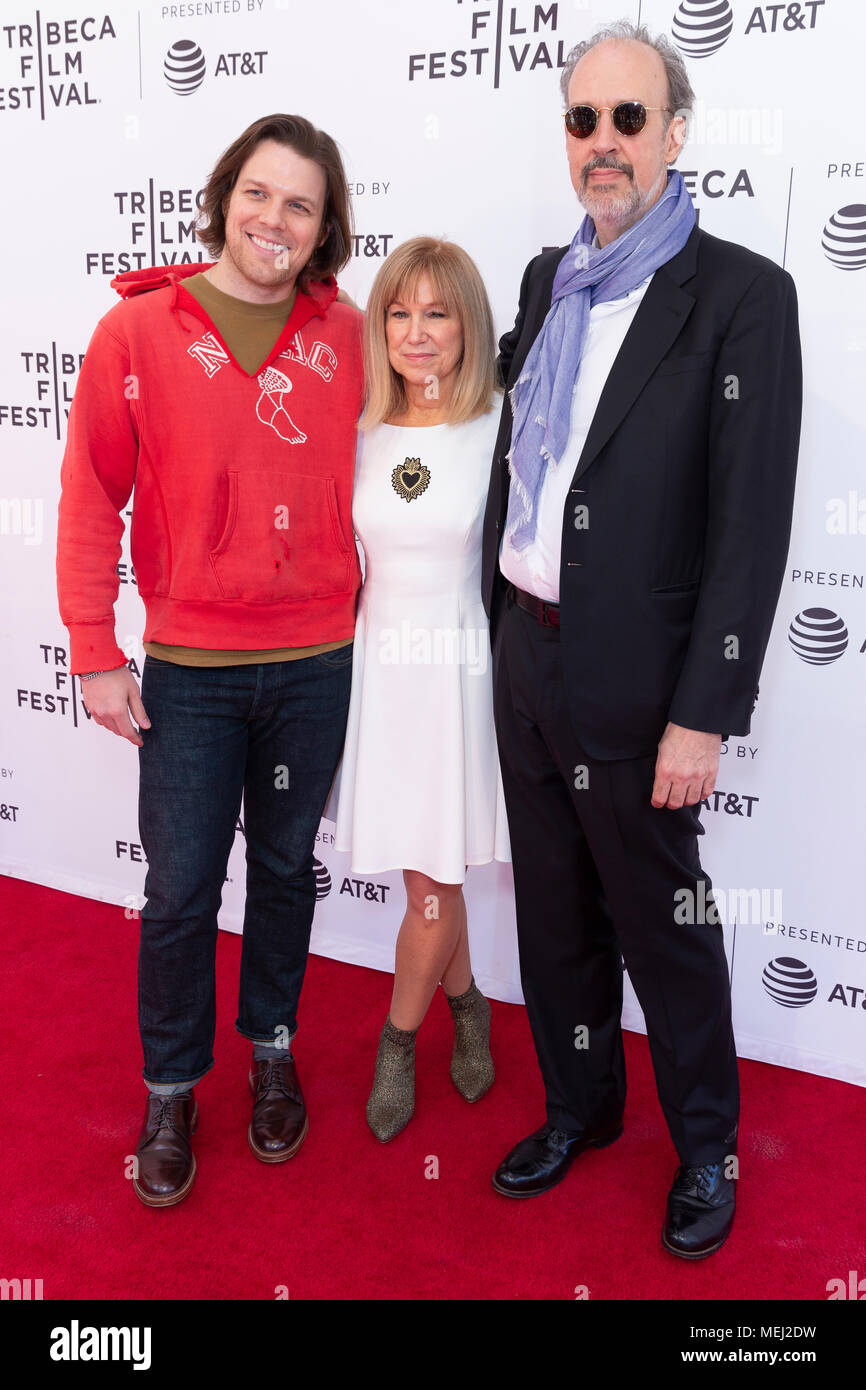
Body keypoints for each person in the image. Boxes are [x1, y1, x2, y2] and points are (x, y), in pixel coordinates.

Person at [481, 22, 802, 1257]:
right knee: (554, 918)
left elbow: (747, 523)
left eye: (627, 119)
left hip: (643, 680)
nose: (602, 143)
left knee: (663, 930)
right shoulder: (543, 280)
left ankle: (706, 1147)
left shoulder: (739, 296)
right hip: (528, 654)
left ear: (674, 134)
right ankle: (579, 1112)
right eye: (582, 121)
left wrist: (702, 712)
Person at [56, 114, 364, 1206]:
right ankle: (172, 1083)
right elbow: (93, 492)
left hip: (317, 665)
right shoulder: (137, 333)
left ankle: (271, 1050)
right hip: (188, 669)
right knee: (182, 887)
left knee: (285, 871)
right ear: (224, 194)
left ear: (324, 228)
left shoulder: (352, 336)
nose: (274, 218)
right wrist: (94, 649)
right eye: (259, 192)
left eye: (300, 204)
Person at [333, 238, 511, 1141]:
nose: (416, 332)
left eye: (437, 312)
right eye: (399, 312)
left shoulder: (502, 427)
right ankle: (470, 1002)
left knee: (434, 879)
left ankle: (397, 1041)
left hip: (457, 676)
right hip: (380, 674)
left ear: (467, 323)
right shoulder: (355, 427)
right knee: (427, 874)